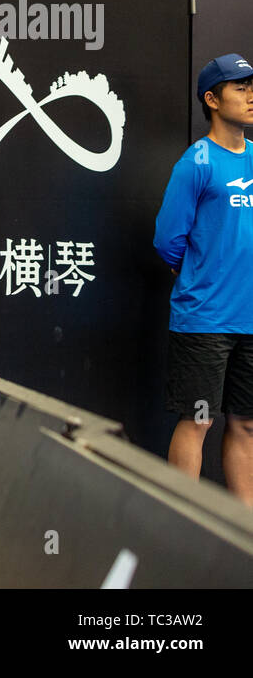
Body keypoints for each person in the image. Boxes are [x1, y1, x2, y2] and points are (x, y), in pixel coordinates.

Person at [153, 53, 253, 506]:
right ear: (212, 99)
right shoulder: (196, 162)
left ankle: (245, 531)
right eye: (239, 87)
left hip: (250, 319)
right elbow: (167, 240)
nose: (250, 95)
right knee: (198, 421)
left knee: (246, 424)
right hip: (204, 321)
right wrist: (202, 275)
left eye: (251, 86)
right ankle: (180, 523)